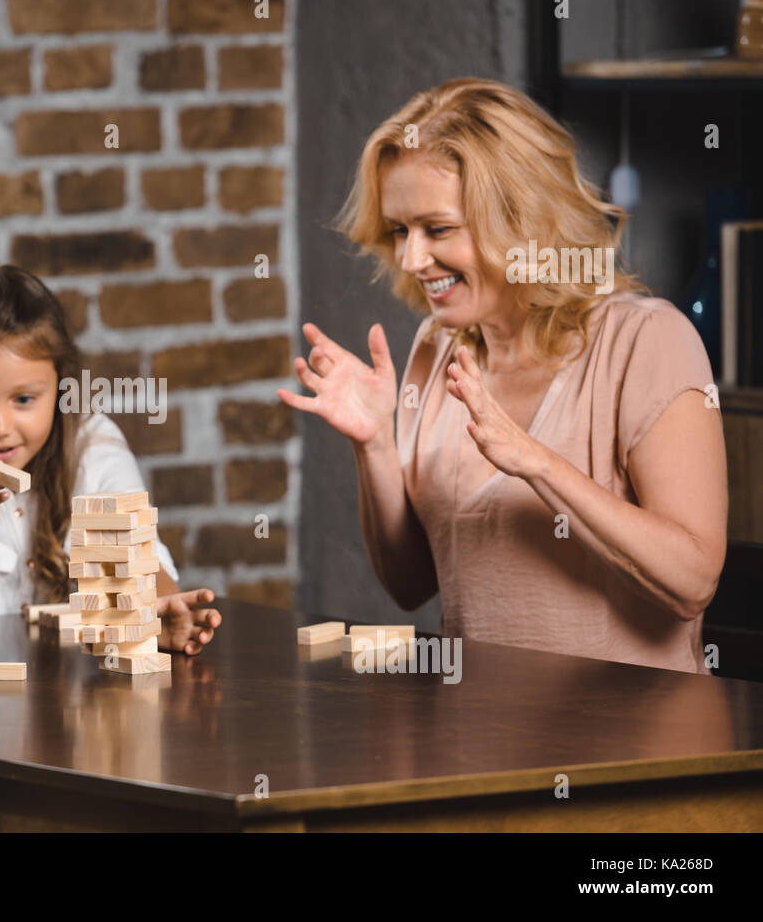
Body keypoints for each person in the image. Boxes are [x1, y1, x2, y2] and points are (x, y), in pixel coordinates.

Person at [279, 78, 727, 674]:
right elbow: (412, 584)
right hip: (483, 744)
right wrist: (376, 444)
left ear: (521, 220)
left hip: (632, 748)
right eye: (399, 232)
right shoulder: (434, 351)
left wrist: (539, 462)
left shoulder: (648, 341)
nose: (412, 260)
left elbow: (693, 581)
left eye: (437, 230)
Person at [0, 266, 221, 655]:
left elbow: (139, 553)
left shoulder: (92, 446)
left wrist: (156, 613)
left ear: (61, 388)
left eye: (23, 399)